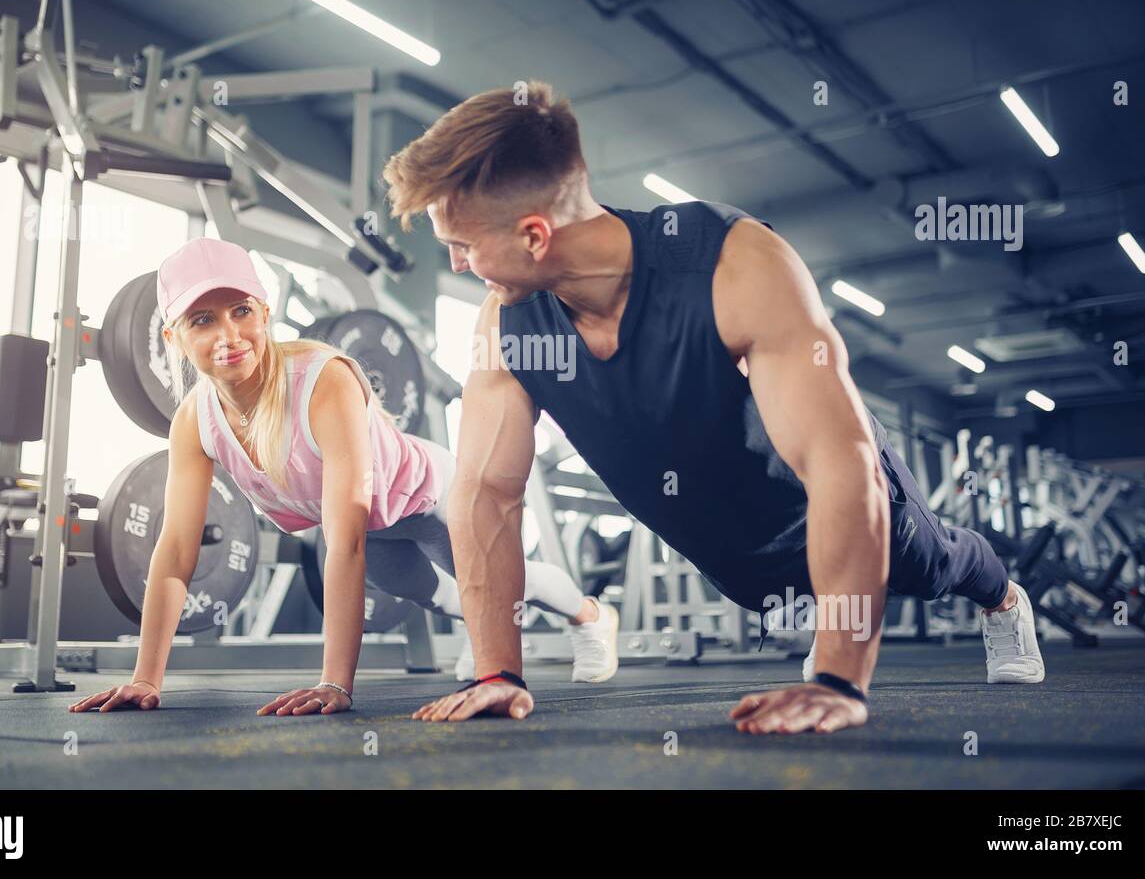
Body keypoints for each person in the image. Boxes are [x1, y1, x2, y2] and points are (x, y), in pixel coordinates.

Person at [382, 80, 1045, 734]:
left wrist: (839, 679)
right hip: (734, 550)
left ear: (533, 235)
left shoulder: (732, 265)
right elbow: (486, 491)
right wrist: (498, 671)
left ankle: (1006, 601)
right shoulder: (505, 324)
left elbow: (840, 467)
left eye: (462, 245)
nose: (458, 265)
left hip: (825, 504)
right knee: (765, 589)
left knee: (932, 563)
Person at [69, 236, 618, 716]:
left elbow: (345, 535)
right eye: (202, 320)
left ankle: (589, 614)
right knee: (446, 599)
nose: (228, 334)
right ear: (173, 339)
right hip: (378, 529)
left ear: (264, 313)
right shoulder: (195, 419)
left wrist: (336, 682)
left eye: (240, 311)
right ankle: (484, 627)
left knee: (502, 585)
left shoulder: (322, 380)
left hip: (428, 496)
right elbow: (176, 549)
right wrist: (146, 678)